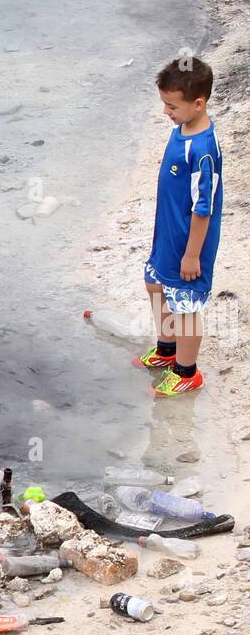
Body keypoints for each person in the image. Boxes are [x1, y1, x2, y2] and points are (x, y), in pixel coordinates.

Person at [137, 55, 223, 395]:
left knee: (185, 306)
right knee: (155, 286)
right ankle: (166, 349)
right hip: (166, 235)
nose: (165, 112)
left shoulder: (203, 150)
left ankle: (187, 371)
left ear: (198, 103)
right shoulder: (182, 129)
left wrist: (192, 256)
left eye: (171, 106)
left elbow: (203, 209)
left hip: (189, 243)